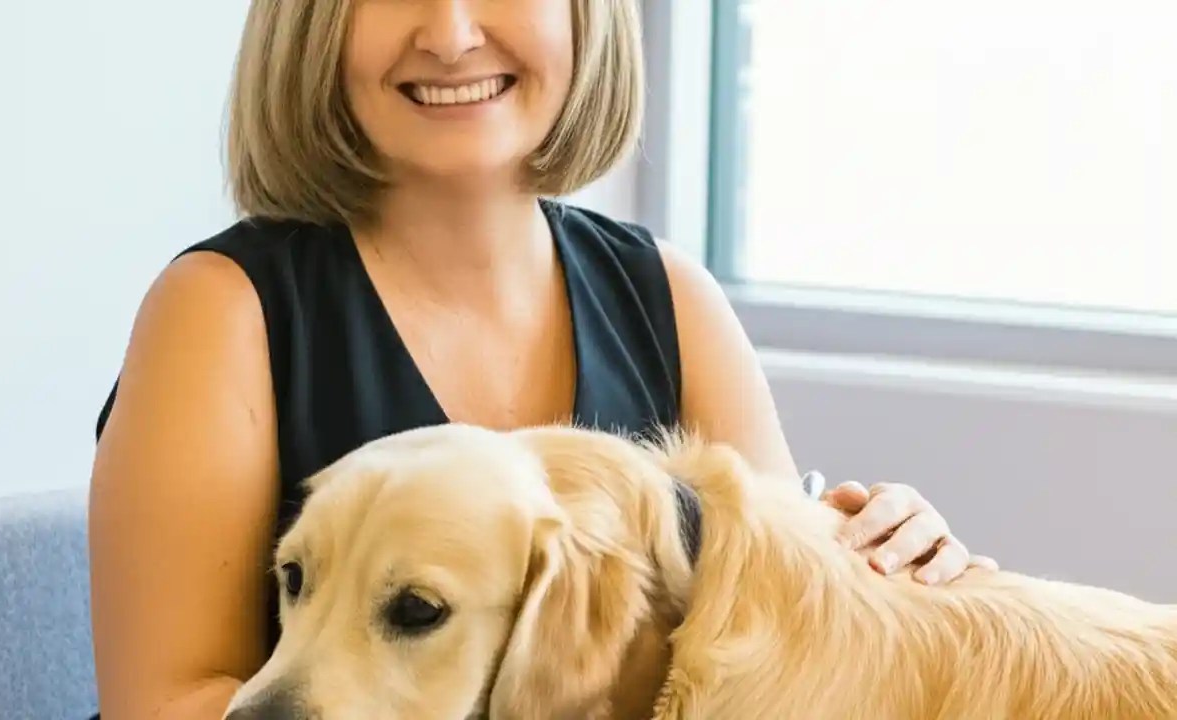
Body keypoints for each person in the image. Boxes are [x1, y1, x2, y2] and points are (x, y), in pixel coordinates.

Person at [87, 1, 996, 717]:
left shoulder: (672, 298)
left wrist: (891, 578)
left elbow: (777, 658)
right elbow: (166, 705)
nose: (449, 35)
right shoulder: (221, 310)